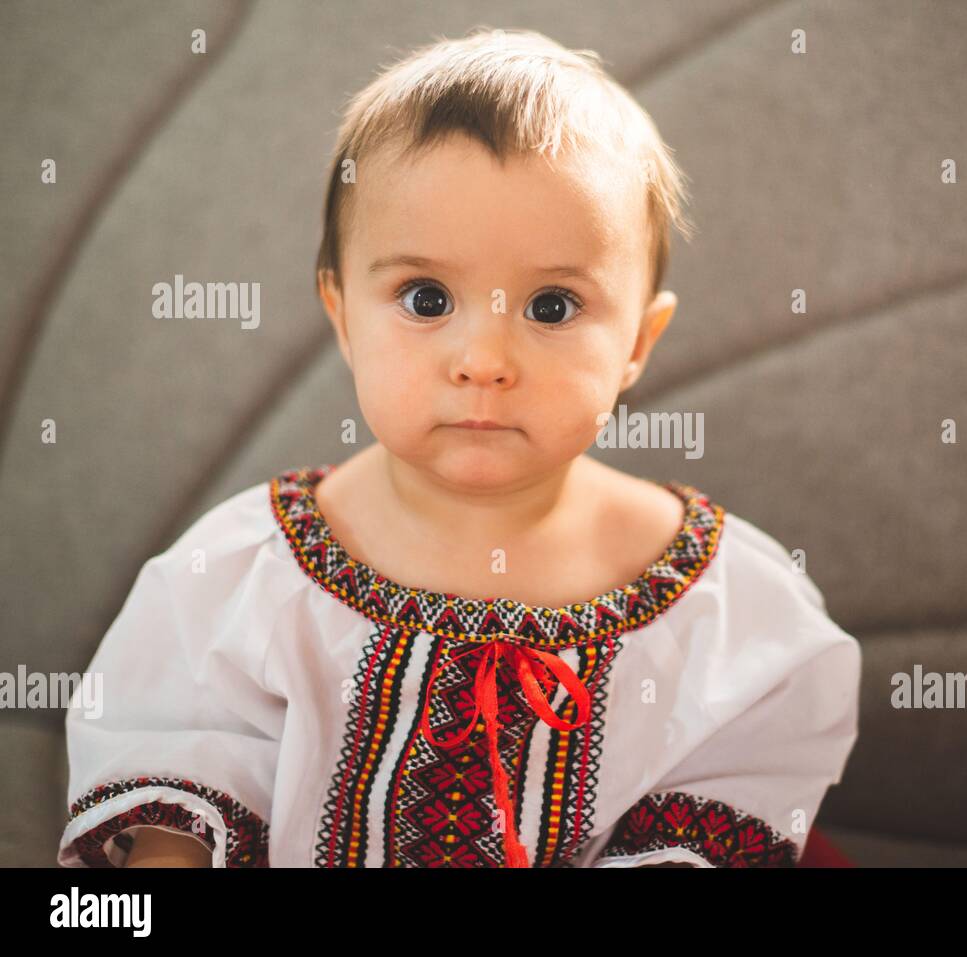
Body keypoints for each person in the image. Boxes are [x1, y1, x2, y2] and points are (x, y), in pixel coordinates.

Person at [58, 27, 861, 869]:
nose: (484, 360)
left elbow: (734, 786)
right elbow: (177, 800)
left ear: (637, 342)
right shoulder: (241, 576)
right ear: (342, 315)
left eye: (552, 307)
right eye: (426, 298)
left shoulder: (724, 608)